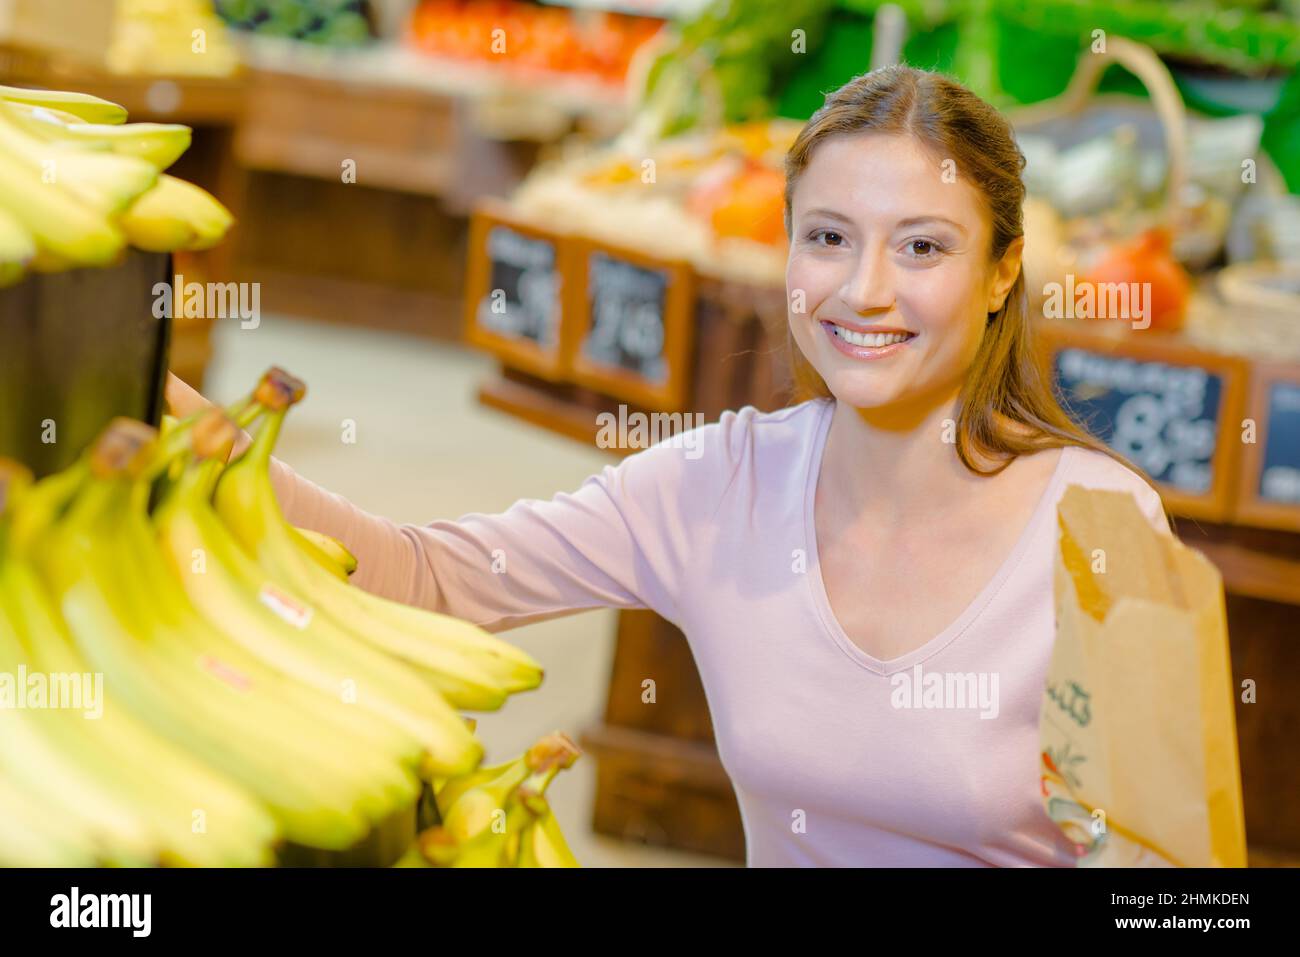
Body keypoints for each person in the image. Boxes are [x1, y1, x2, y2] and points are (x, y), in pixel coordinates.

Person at [166, 64, 1171, 867]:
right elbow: (428, 579)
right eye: (828, 239)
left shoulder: (1100, 526)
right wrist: (181, 418)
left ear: (1001, 272)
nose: (864, 290)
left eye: (921, 249)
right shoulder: (716, 486)